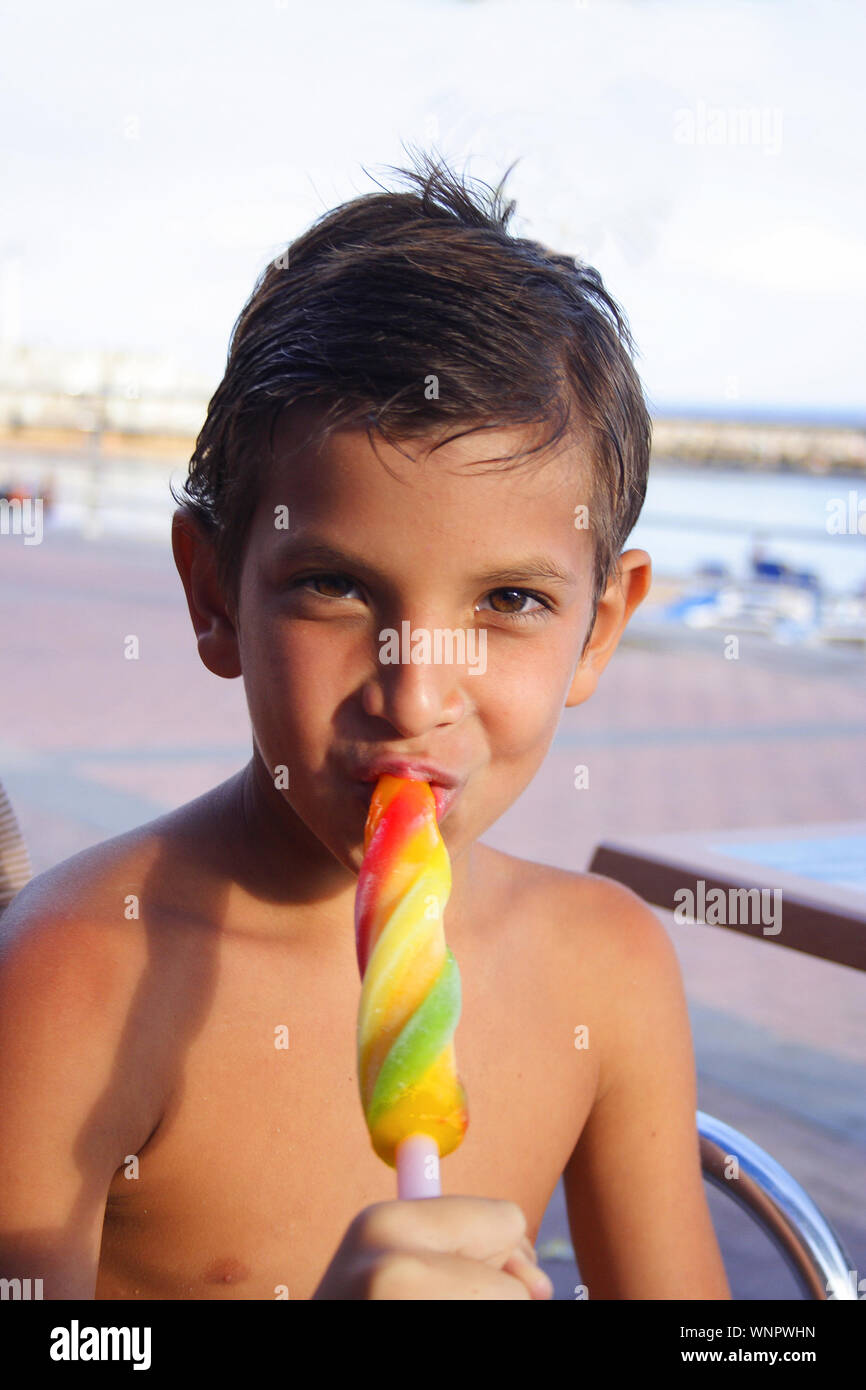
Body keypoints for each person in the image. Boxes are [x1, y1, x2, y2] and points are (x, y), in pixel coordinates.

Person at [0, 150, 730, 1300]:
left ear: (599, 629)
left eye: (509, 601)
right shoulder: (75, 971)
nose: (411, 690)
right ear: (211, 594)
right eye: (335, 585)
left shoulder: (610, 968)